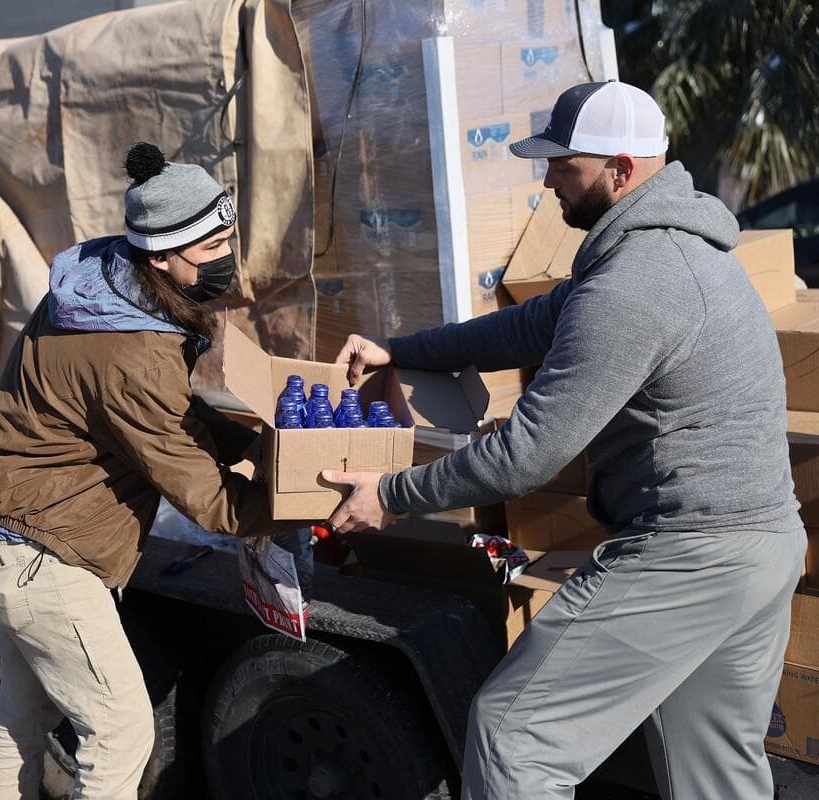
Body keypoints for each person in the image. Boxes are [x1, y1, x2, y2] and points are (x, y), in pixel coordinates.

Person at [324, 81, 806, 799]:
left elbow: (530, 451)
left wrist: (392, 495)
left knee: (515, 737)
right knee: (717, 770)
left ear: (621, 169)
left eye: (562, 164)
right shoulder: (667, 252)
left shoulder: (635, 284)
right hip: (761, 545)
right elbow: (528, 325)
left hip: (690, 552)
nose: (547, 178)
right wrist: (403, 349)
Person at [0, 142, 284, 799]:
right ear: (162, 257)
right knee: (121, 731)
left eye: (229, 235)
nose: (227, 257)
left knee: (21, 715)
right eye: (211, 246)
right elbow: (205, 496)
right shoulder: (132, 352)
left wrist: (249, 441)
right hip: (45, 550)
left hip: (14, 525)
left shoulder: (103, 283)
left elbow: (162, 421)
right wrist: (308, 499)